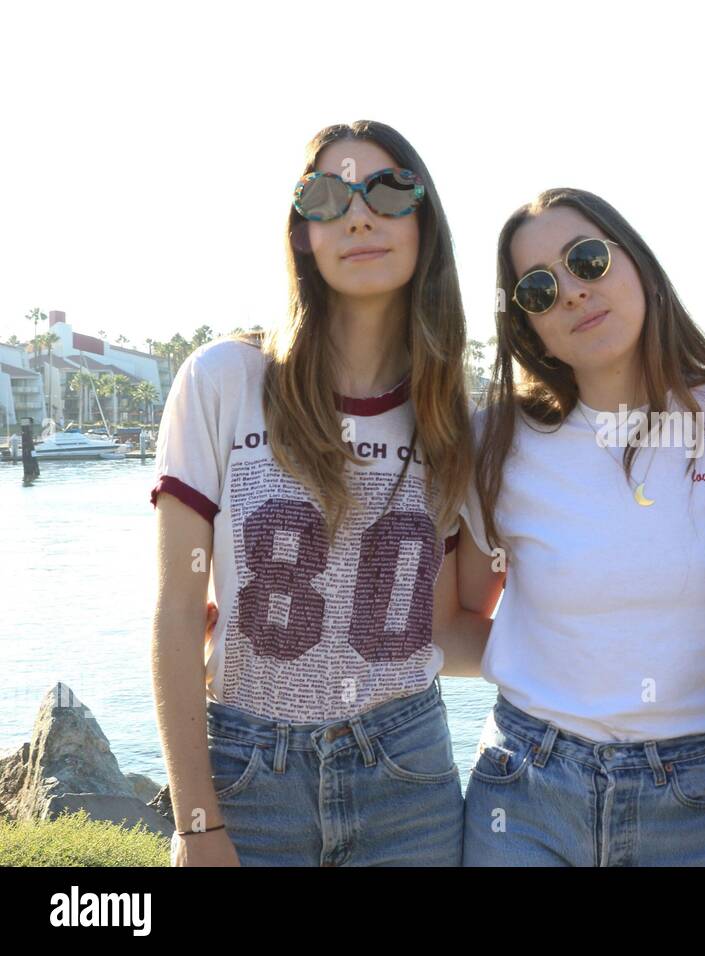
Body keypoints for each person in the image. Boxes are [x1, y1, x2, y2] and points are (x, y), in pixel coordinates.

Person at [150, 120, 489, 866]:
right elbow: (179, 609)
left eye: (390, 190)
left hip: (407, 771)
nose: (360, 214)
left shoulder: (452, 420)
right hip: (248, 770)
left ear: (425, 222)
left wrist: (609, 660)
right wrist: (196, 822)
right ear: (302, 233)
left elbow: (435, 628)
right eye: (328, 196)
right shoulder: (223, 381)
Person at [455, 188, 705, 866]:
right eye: (539, 290)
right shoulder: (495, 441)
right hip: (524, 786)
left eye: (588, 260)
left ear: (637, 262)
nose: (572, 292)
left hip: (691, 795)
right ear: (528, 329)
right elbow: (454, 621)